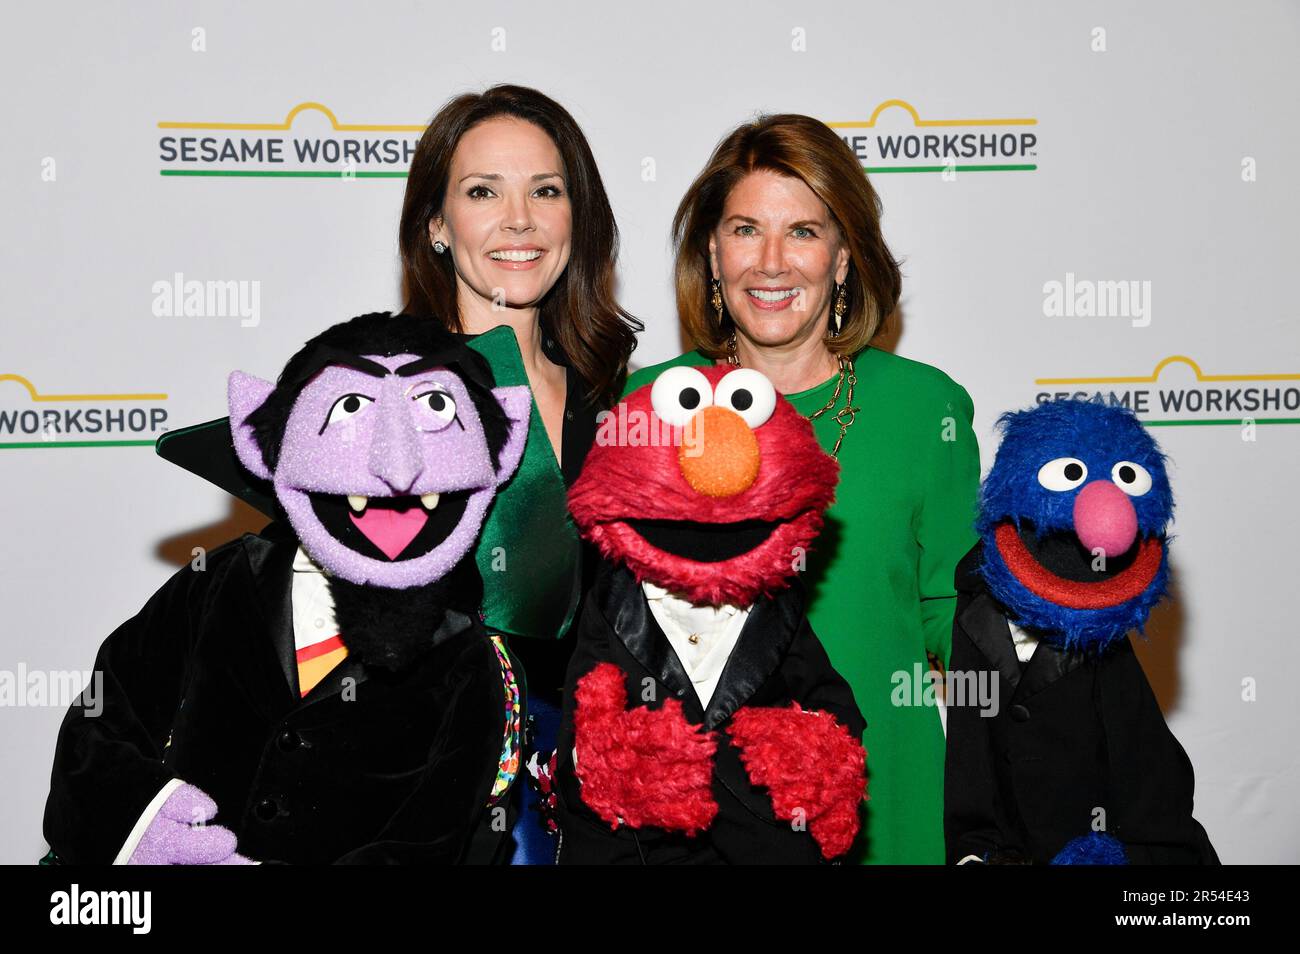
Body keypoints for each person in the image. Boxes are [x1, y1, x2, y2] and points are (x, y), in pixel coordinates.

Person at [153, 85, 640, 862]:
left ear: (577, 219)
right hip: (402, 808)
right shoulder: (370, 398)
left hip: (586, 809)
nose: (519, 219)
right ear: (438, 226)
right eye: (484, 192)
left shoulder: (625, 406)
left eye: (546, 191)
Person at [624, 113, 980, 864]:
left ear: (845, 258)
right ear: (712, 256)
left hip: (888, 799)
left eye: (804, 233)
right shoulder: (654, 406)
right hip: (707, 813)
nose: (772, 262)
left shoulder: (926, 410)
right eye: (746, 230)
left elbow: (959, 618)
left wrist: (1053, 672)